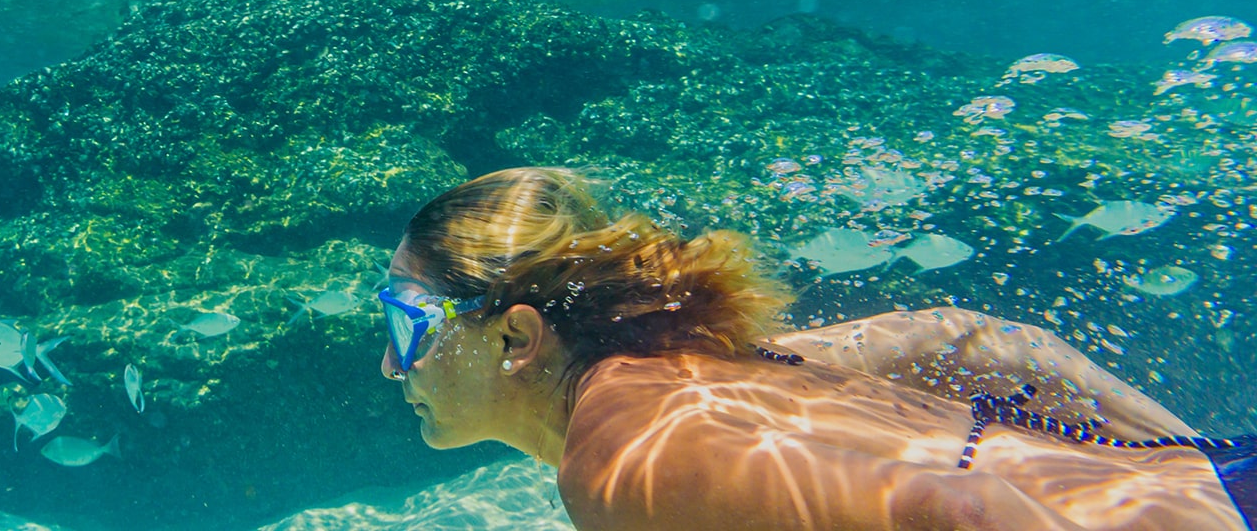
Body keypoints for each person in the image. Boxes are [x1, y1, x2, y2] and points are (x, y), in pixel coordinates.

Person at [378, 166, 1255, 530]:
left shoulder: (617, 457)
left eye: (405, 322)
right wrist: (1189, 472)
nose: (390, 363)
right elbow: (988, 344)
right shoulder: (716, 364)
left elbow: (965, 514)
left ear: (517, 335)